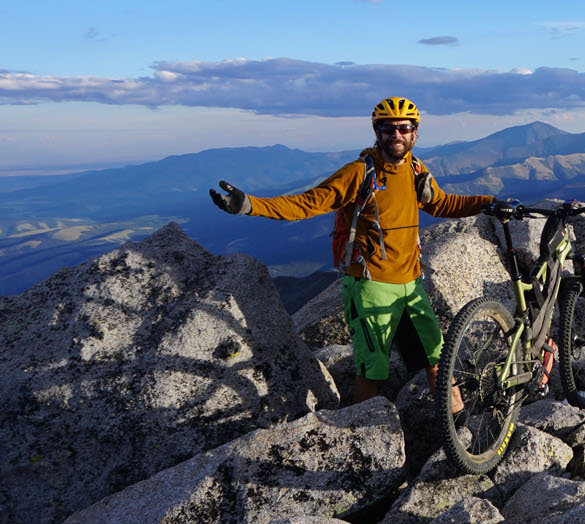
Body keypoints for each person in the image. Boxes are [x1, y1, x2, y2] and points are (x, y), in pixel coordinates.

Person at [209, 96, 494, 405]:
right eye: (387, 129)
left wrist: (488, 203)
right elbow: (308, 203)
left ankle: (457, 429)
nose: (396, 135)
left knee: (437, 356)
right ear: (377, 132)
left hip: (411, 283)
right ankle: (363, 430)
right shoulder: (360, 172)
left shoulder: (415, 168)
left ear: (414, 132)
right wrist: (251, 205)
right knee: (372, 369)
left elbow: (441, 203)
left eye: (403, 128)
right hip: (370, 284)